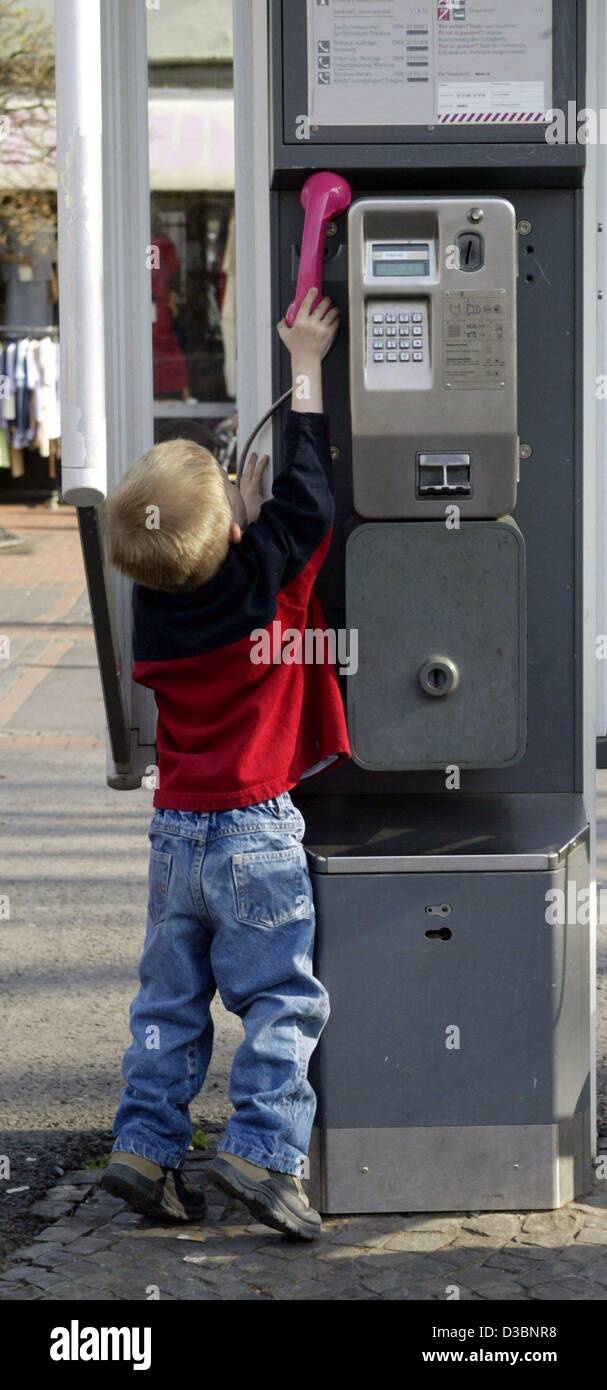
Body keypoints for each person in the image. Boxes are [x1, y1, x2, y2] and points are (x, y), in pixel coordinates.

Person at [101, 290, 351, 1239]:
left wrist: (238, 515)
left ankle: (145, 1151)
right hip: (255, 833)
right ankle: (262, 1153)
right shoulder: (269, 587)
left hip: (175, 837)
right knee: (281, 999)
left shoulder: (155, 610)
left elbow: (246, 534)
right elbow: (309, 497)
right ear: (238, 535)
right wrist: (304, 359)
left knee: (168, 1002)